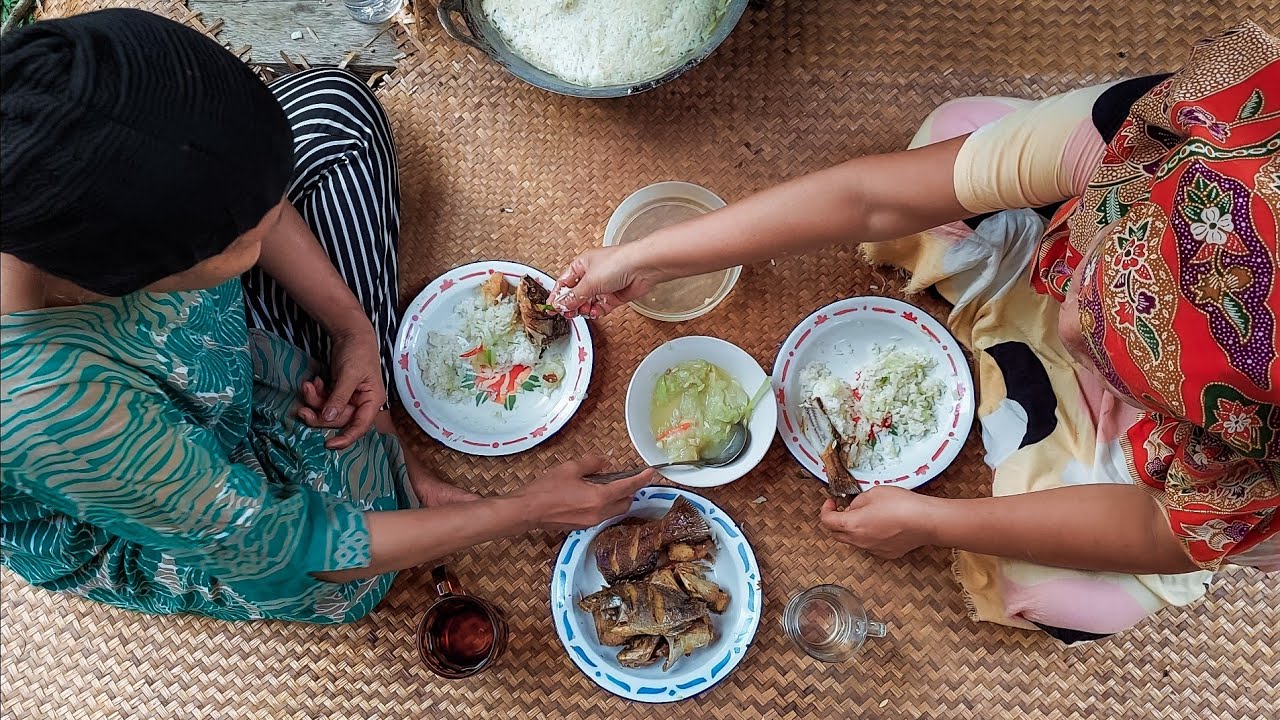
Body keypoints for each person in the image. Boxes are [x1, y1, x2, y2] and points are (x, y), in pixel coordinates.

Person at [555, 22, 1279, 641]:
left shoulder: (1261, 475)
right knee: (950, 135)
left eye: (1106, 342)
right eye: (1095, 279)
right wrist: (647, 254)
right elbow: (868, 199)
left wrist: (933, 521)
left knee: (1057, 600)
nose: (1073, 322)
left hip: (1173, 461)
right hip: (1109, 273)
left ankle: (1038, 380)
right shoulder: (1186, 130)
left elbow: (1163, 532)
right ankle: (1031, 368)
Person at [0, 9, 652, 624]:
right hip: (158, 487)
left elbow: (261, 201)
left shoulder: (51, 141)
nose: (268, 228)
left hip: (215, 341)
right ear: (130, 278)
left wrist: (352, 330)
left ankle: (313, 356)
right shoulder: (54, 407)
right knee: (360, 558)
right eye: (242, 242)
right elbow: (295, 552)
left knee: (336, 112)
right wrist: (522, 510)